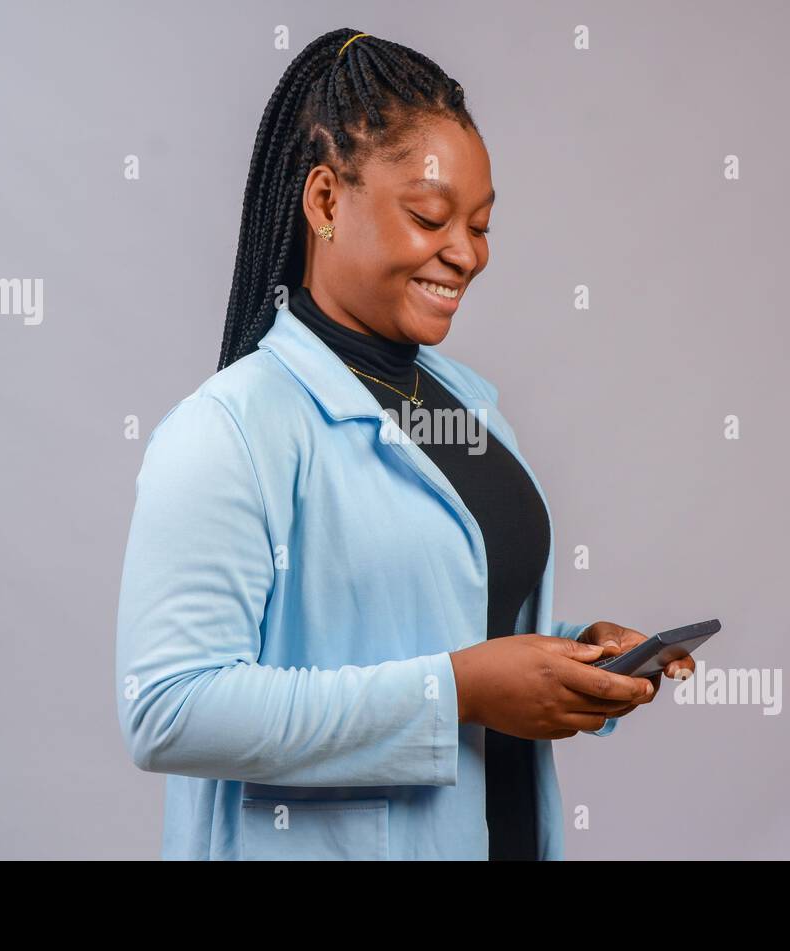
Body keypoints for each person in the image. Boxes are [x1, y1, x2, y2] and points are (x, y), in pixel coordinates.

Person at [114, 28, 694, 861]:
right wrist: (459, 690)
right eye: (430, 218)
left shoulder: (466, 406)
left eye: (482, 225)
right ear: (323, 202)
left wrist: (572, 654)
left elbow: (427, 623)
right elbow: (168, 708)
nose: (465, 253)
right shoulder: (232, 430)